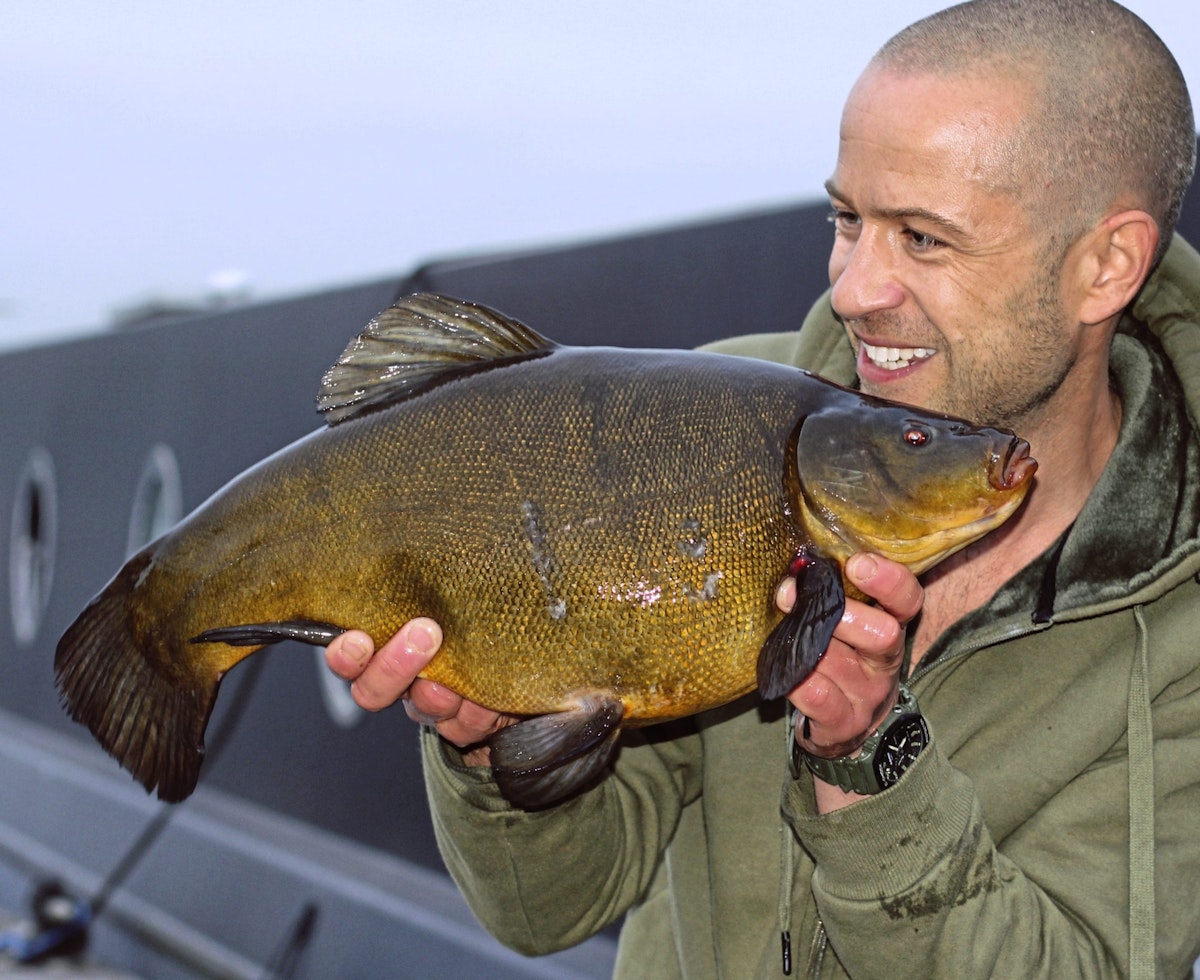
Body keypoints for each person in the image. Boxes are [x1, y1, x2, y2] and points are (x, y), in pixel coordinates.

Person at [325, 0, 1200, 975]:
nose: (855, 287)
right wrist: (496, 743)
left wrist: (870, 759)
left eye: (923, 239)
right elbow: (550, 908)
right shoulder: (706, 427)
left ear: (1106, 265)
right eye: (849, 219)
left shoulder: (1183, 625)